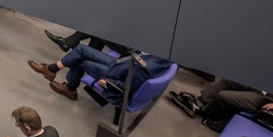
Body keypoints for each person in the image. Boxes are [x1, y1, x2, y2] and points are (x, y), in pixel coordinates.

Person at [29, 49, 172, 102]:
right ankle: (51, 69)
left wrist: (107, 84)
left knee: (80, 61)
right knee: (80, 49)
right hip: (121, 63)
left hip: (115, 76)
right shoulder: (168, 55)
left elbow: (128, 88)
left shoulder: (146, 68)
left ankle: (70, 89)